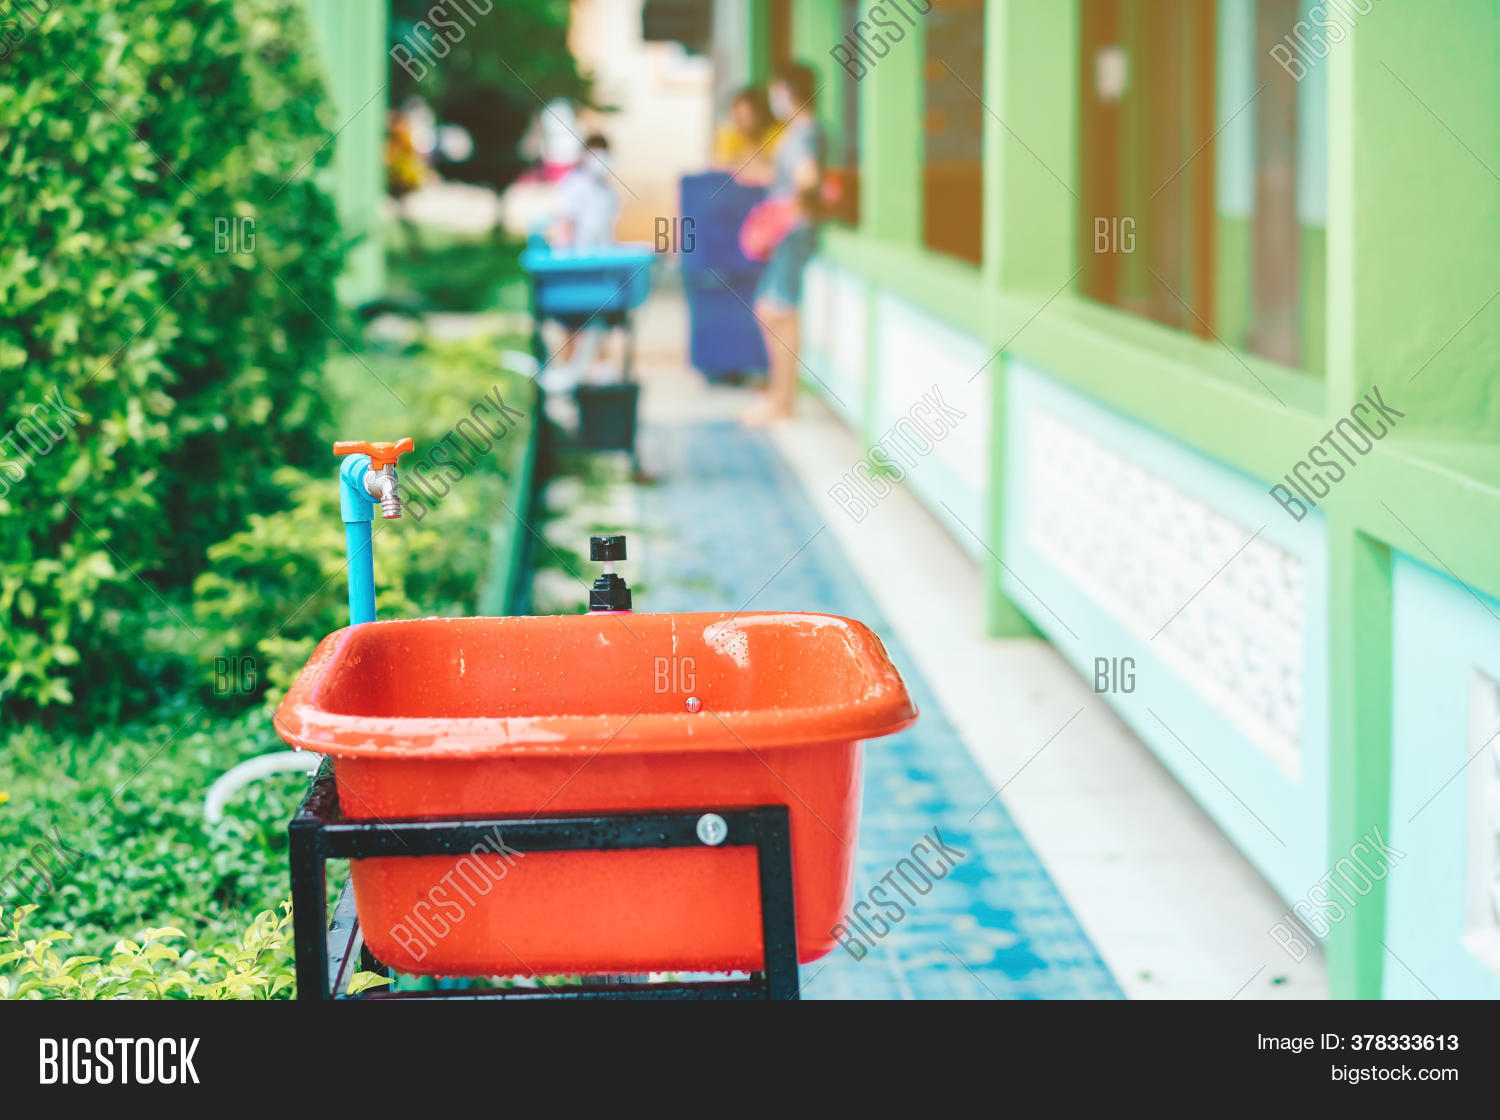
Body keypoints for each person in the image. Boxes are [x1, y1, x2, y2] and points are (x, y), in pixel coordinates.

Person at [745, 63, 825, 425]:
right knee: (769, 309)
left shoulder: (805, 133)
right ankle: (779, 398)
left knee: (780, 311)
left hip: (793, 234)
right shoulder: (798, 132)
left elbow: (807, 178)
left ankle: (783, 402)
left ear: (788, 92)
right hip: (789, 232)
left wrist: (786, 212)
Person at [714, 87, 781, 177]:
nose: (739, 123)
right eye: (737, 117)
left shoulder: (774, 134)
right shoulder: (728, 135)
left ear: (759, 115)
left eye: (745, 116)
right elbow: (720, 168)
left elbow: (776, 171)